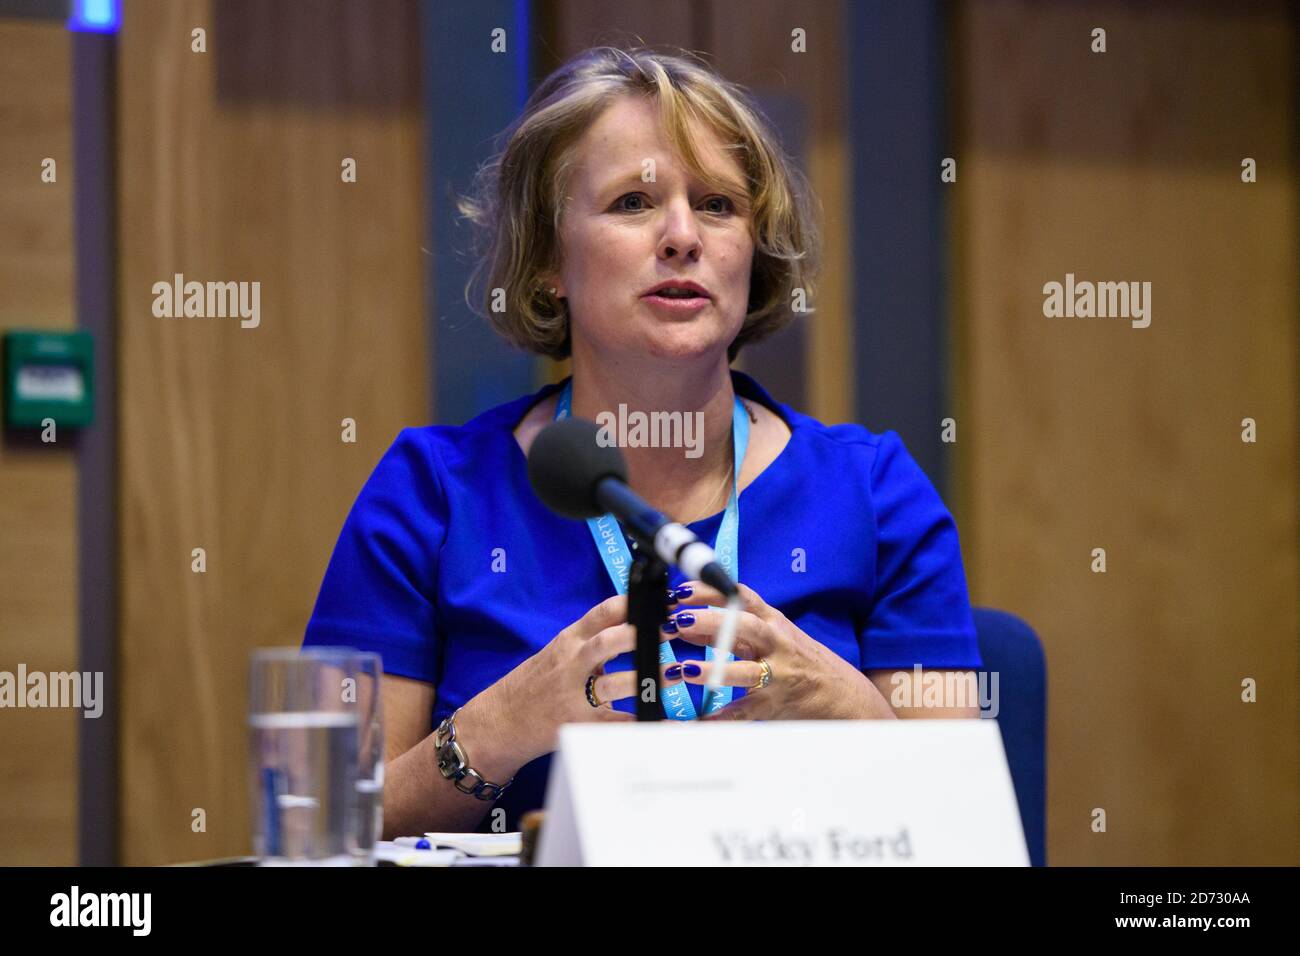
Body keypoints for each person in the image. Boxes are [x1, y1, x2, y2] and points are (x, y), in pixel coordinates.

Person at [304, 47, 982, 837]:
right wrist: (502, 726)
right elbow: (323, 822)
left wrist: (848, 709)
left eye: (719, 205)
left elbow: (964, 831)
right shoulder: (431, 492)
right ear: (549, 259)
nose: (683, 236)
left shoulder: (875, 491)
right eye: (633, 202)